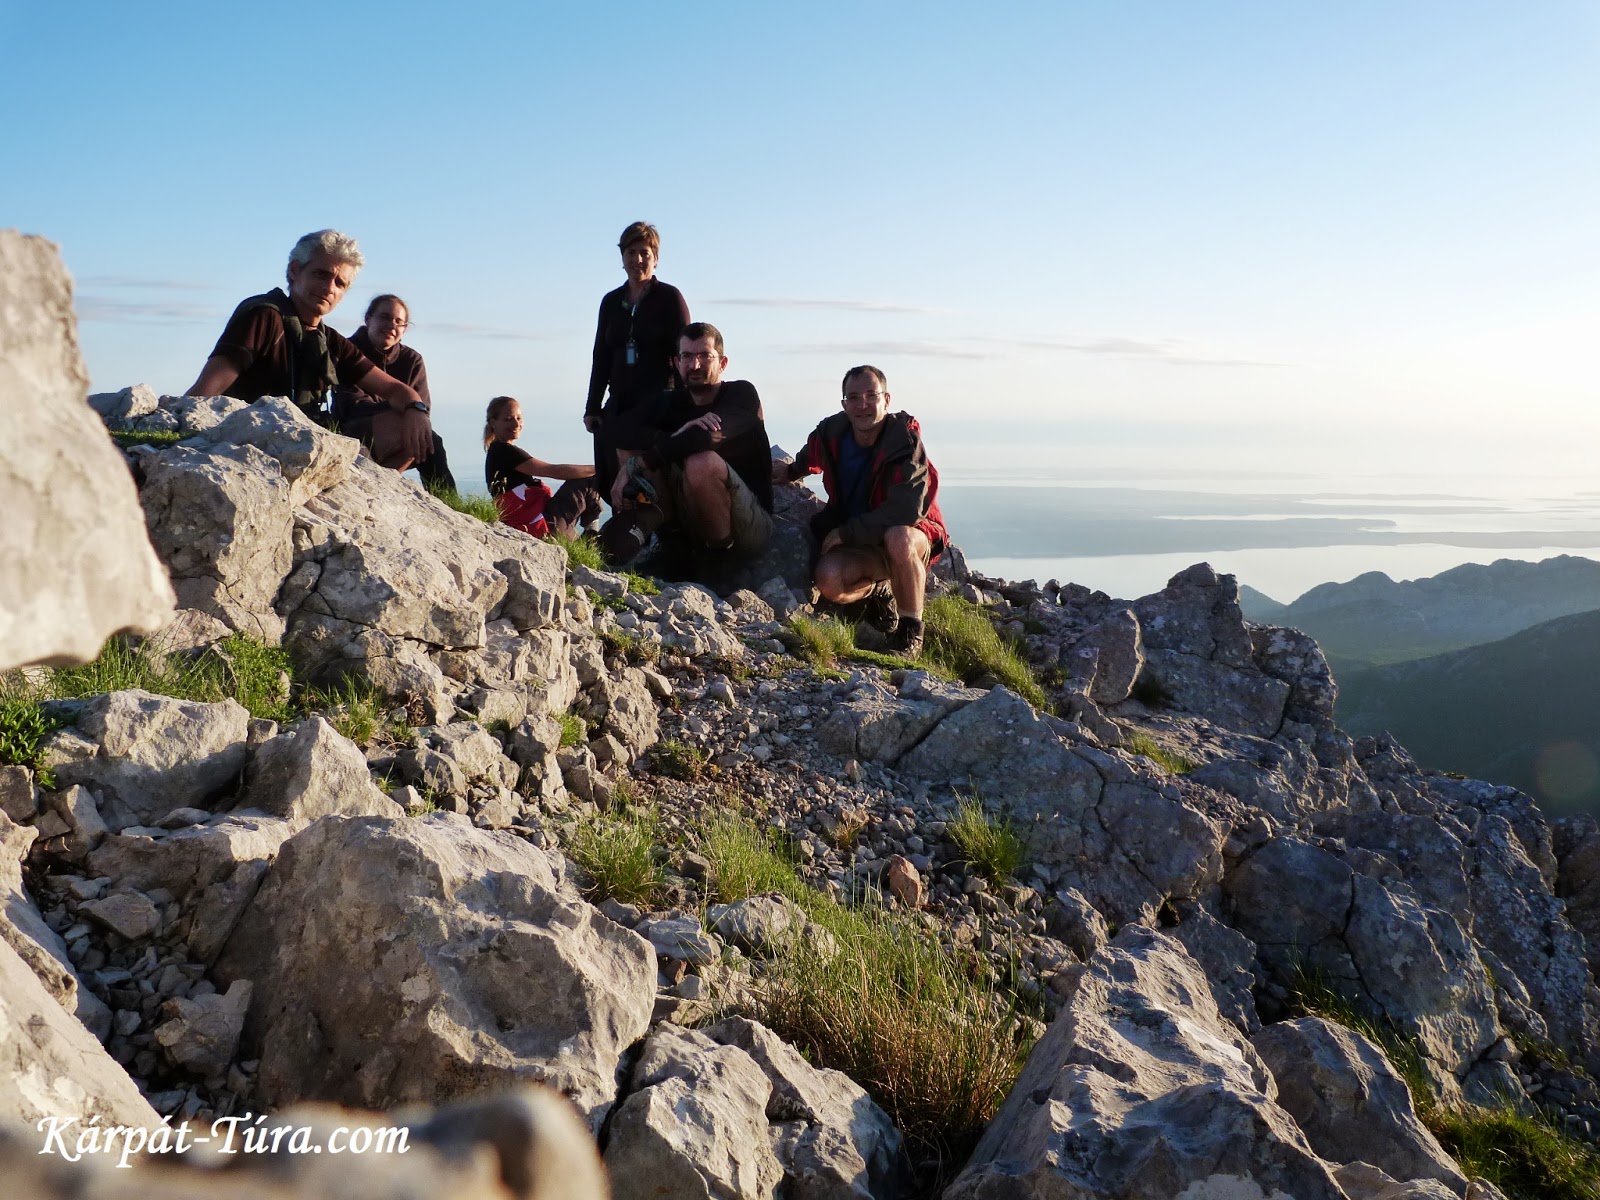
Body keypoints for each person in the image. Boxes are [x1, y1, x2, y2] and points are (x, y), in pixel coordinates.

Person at [187, 230, 433, 468]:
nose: (329, 288)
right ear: (295, 271)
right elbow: (206, 390)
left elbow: (393, 389)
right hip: (250, 441)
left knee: (408, 426)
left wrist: (416, 409)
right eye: (320, 274)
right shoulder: (263, 317)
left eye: (340, 283)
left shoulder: (328, 340)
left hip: (307, 441)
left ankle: (377, 493)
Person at [774, 365, 947, 657]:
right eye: (853, 397)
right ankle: (881, 591)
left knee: (899, 538)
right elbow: (811, 456)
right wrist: (790, 471)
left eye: (871, 396)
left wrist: (847, 532)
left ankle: (910, 633)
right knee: (829, 579)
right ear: (844, 404)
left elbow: (907, 511)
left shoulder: (904, 442)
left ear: (886, 400)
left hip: (914, 532)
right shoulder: (832, 432)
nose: (862, 404)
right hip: (866, 542)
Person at [603, 322, 774, 570]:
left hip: (750, 525)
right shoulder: (671, 400)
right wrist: (675, 435)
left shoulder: (741, 394)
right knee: (630, 447)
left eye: (705, 356)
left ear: (722, 363)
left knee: (701, 462)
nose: (695, 365)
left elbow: (706, 439)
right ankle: (672, 545)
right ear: (676, 362)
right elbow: (617, 431)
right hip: (691, 515)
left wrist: (637, 464)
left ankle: (719, 562)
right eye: (687, 356)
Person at [585, 222, 690, 496]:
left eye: (644, 252)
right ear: (622, 258)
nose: (637, 259)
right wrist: (593, 406)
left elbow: (684, 354)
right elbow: (601, 355)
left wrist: (686, 403)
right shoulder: (611, 302)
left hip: (658, 401)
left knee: (646, 470)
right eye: (631, 252)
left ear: (655, 258)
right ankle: (627, 528)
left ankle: (652, 528)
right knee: (611, 470)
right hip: (619, 401)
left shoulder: (669, 298)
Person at [332, 294, 457, 489]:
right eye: (384, 317)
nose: (391, 325)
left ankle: (447, 502)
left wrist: (410, 415)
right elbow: (352, 406)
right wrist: (402, 408)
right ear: (368, 318)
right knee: (422, 433)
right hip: (350, 431)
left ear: (405, 329)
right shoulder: (348, 351)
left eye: (399, 322)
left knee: (428, 440)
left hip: (401, 435)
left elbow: (422, 411)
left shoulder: (412, 360)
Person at [484, 396, 604, 539]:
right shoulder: (504, 452)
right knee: (585, 479)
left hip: (535, 523)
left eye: (519, 418)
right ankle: (593, 535)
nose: (516, 424)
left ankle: (588, 538)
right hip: (542, 526)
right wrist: (602, 468)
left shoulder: (496, 452)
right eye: (508, 419)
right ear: (493, 422)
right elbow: (554, 471)